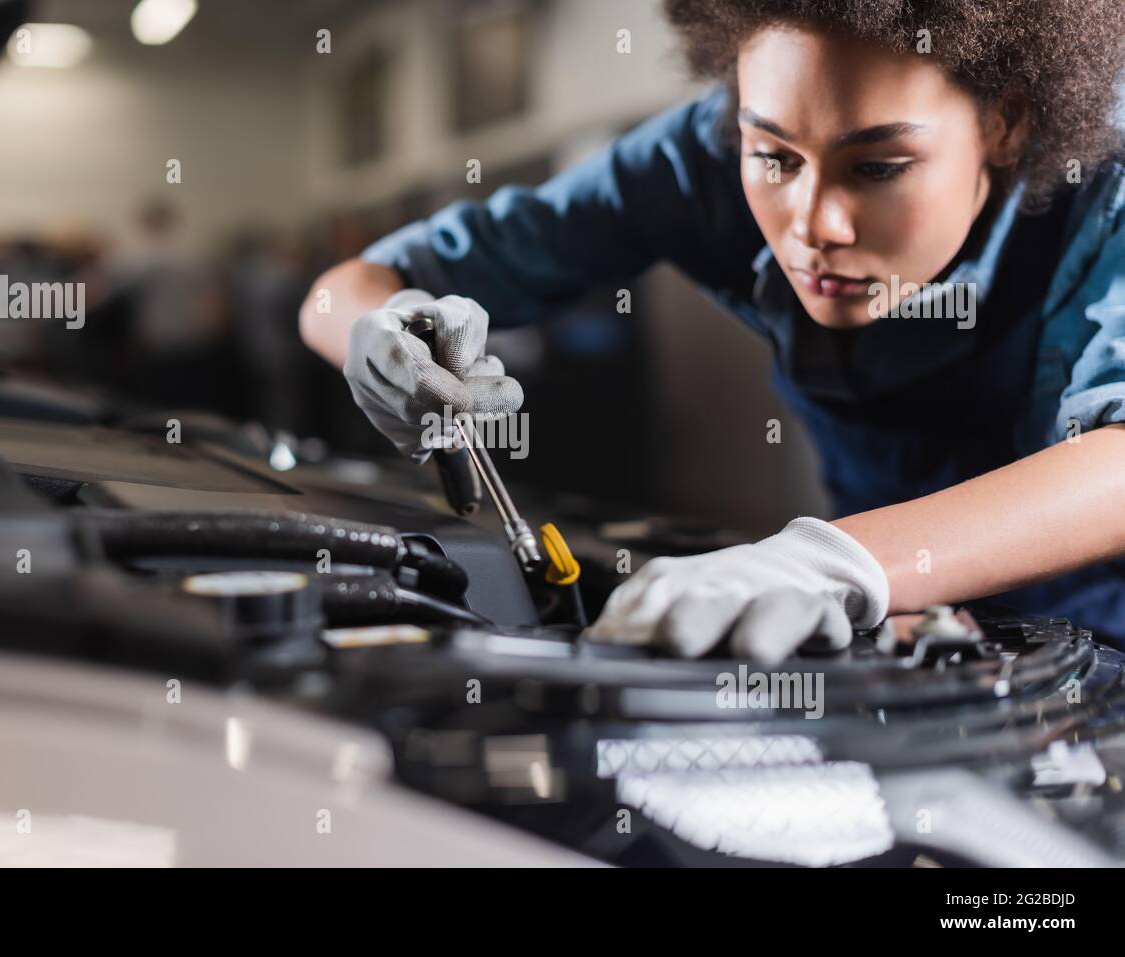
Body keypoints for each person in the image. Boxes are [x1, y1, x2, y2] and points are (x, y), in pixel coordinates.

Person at [299, 0, 1125, 663]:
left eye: (875, 167)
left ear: (1006, 122)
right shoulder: (697, 157)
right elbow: (345, 290)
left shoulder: (1106, 187)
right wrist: (385, 340)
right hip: (896, 632)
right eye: (774, 156)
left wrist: (830, 563)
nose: (812, 223)